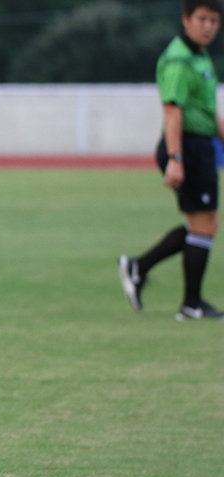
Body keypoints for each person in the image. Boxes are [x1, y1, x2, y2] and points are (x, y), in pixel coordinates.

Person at [120, 0, 224, 321]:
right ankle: (190, 304)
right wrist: (176, 158)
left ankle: (139, 267)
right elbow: (173, 111)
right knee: (205, 223)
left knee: (203, 224)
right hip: (186, 147)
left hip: (198, 144)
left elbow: (207, 110)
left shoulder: (199, 56)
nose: (208, 26)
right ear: (186, 19)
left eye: (214, 20)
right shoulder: (178, 59)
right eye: (202, 19)